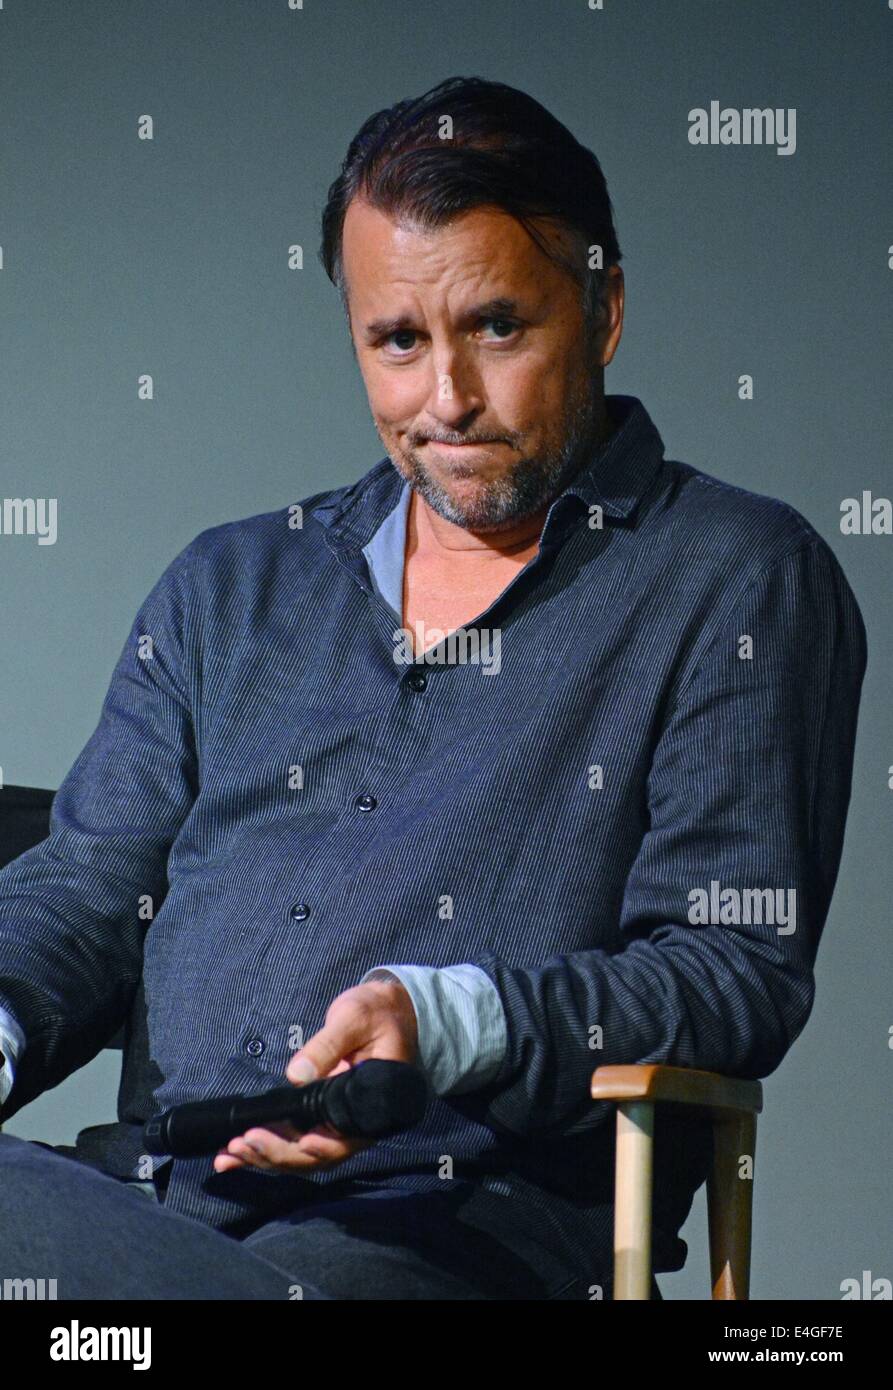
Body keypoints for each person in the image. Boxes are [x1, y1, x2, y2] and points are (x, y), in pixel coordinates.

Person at [0, 75, 867, 1299]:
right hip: (147, 1202)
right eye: (397, 341)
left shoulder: (732, 577)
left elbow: (730, 971)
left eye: (498, 327)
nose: (445, 399)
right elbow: (89, 887)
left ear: (602, 306)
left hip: (445, 1234)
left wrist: (447, 1020)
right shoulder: (232, 584)